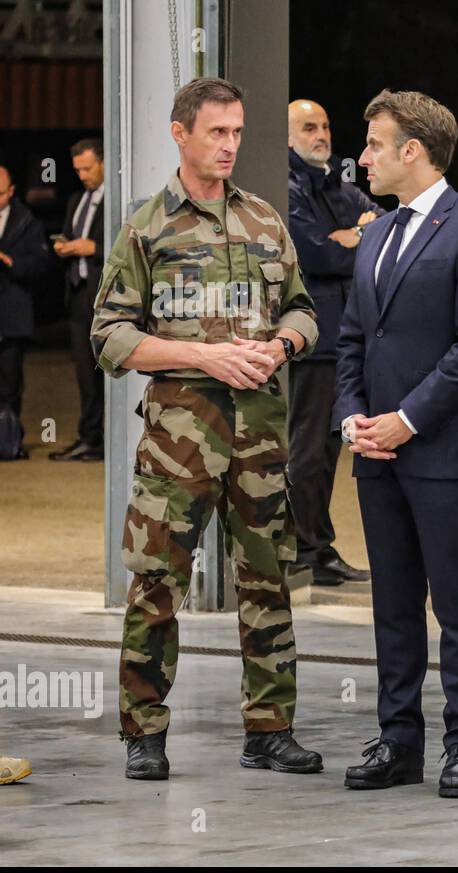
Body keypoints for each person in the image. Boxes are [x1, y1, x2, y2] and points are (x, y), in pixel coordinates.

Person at [90, 77, 323, 780]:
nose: (229, 146)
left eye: (237, 133)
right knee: (158, 583)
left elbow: (306, 312)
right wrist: (203, 355)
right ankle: (145, 733)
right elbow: (108, 335)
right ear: (180, 133)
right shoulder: (146, 227)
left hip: (259, 439)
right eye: (216, 132)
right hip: (178, 443)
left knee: (269, 581)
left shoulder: (263, 221)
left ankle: (270, 730)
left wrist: (280, 346)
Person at [336, 90, 458, 798]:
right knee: (393, 603)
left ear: (414, 151)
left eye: (375, 144)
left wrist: (406, 419)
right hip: (375, 451)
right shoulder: (374, 234)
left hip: (443, 450)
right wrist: (352, 418)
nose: (364, 156)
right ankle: (398, 740)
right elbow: (352, 337)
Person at [286, 99, 380, 586]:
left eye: (324, 124)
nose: (321, 133)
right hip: (313, 338)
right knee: (309, 448)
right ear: (287, 137)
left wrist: (353, 237)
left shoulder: (333, 184)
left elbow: (383, 226)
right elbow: (311, 252)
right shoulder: (288, 186)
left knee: (325, 448)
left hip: (340, 336)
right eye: (308, 126)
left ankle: (313, 547)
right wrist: (344, 239)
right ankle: (307, 550)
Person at [51, 138, 107, 462]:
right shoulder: (77, 200)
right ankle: (89, 437)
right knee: (85, 373)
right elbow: (71, 237)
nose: (82, 175)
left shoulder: (116, 200)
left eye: (87, 168)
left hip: (103, 297)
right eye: (77, 170)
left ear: (101, 163)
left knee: (106, 370)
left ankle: (106, 438)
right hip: (77, 296)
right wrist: (66, 247)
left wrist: (93, 248)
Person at [0, 164, 51, 460]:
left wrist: (10, 262)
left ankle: (9, 442)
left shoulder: (27, 222)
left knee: (10, 383)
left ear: (11, 192)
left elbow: (43, 267)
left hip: (13, 315)